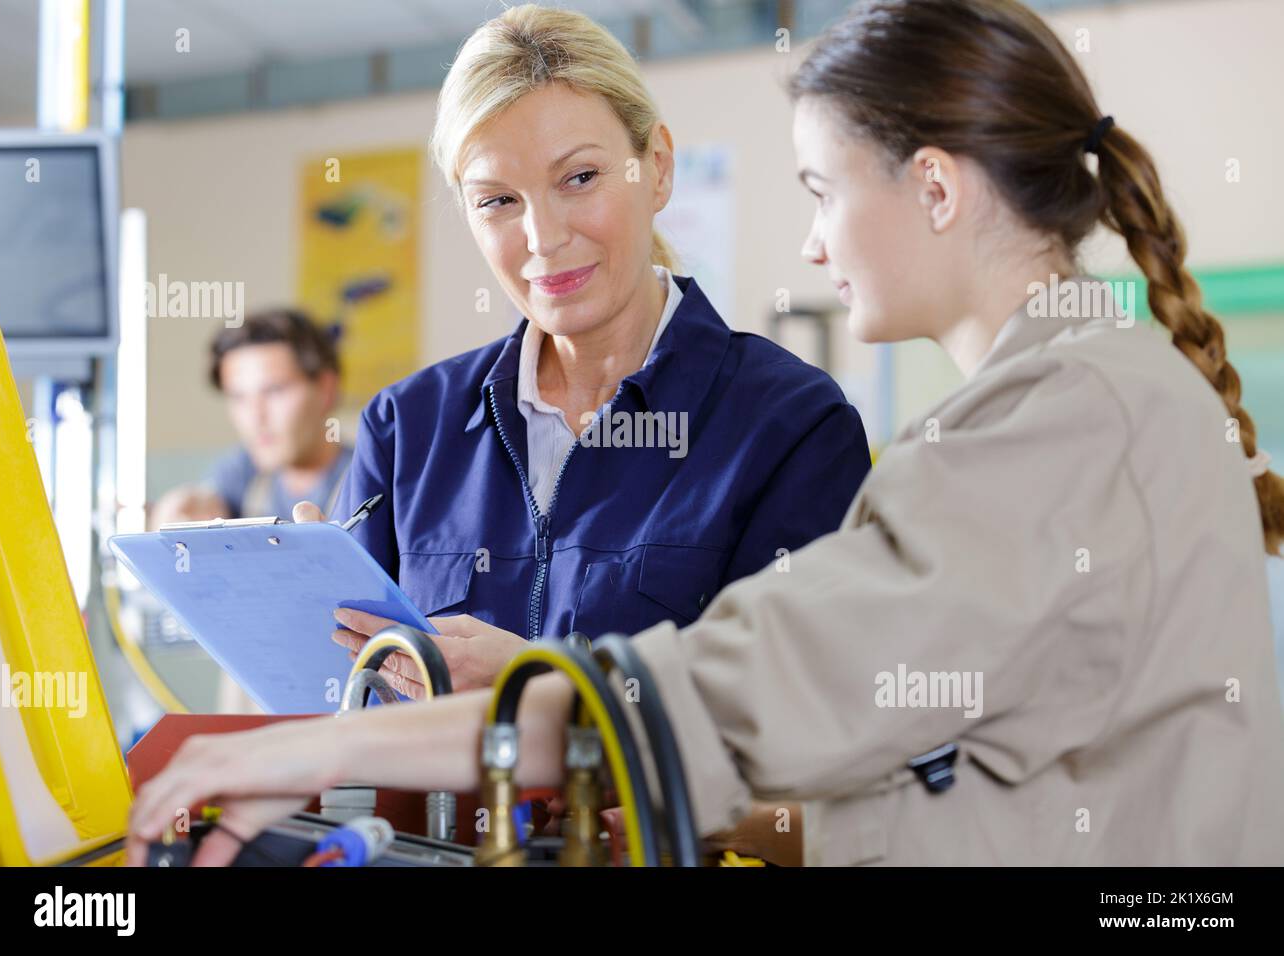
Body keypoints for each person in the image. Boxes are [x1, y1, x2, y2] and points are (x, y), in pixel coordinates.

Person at [130, 0, 1284, 867]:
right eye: (494, 199)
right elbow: (926, 787)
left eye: (821, 190)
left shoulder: (1051, 415)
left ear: (934, 190)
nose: (817, 244)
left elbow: (745, 700)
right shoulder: (1083, 393)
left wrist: (327, 746)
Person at [308, 4, 870, 703]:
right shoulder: (405, 429)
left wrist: (541, 688)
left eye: (579, 179)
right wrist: (303, 594)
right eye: (498, 201)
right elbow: (340, 714)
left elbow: (797, 720)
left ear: (657, 169)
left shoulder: (791, 426)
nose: (542, 236)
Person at [149, 309, 352, 529]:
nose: (256, 417)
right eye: (238, 397)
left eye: (274, 391)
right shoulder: (241, 473)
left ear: (326, 389)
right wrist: (176, 513)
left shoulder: (369, 479)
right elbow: (203, 501)